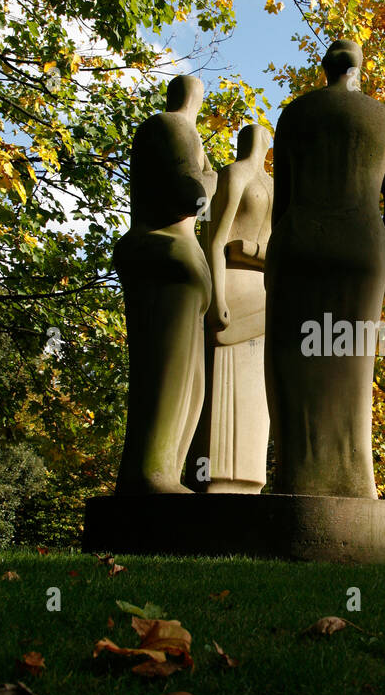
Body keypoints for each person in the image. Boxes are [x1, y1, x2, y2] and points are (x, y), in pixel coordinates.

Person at [264, 40, 385, 498]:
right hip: (362, 250)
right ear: (358, 70)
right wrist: (384, 265)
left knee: (292, 358)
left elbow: (282, 203)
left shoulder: (294, 115)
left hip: (300, 243)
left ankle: (296, 475)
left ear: (325, 68)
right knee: (353, 363)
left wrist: (276, 260)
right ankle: (354, 480)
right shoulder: (384, 120)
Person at [113, 74, 215, 495]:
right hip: (167, 258)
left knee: (190, 387)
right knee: (166, 381)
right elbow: (188, 196)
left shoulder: (172, 129)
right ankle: (150, 474)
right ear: (196, 98)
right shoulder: (174, 126)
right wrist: (210, 179)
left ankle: (163, 473)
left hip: (174, 263)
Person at [186, 123, 273, 492]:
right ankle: (215, 478)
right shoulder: (233, 174)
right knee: (222, 390)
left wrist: (255, 251)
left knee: (256, 397)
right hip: (232, 286)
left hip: (263, 294)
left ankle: (250, 478)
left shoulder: (273, 185)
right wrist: (217, 297)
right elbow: (215, 239)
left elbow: (277, 250)